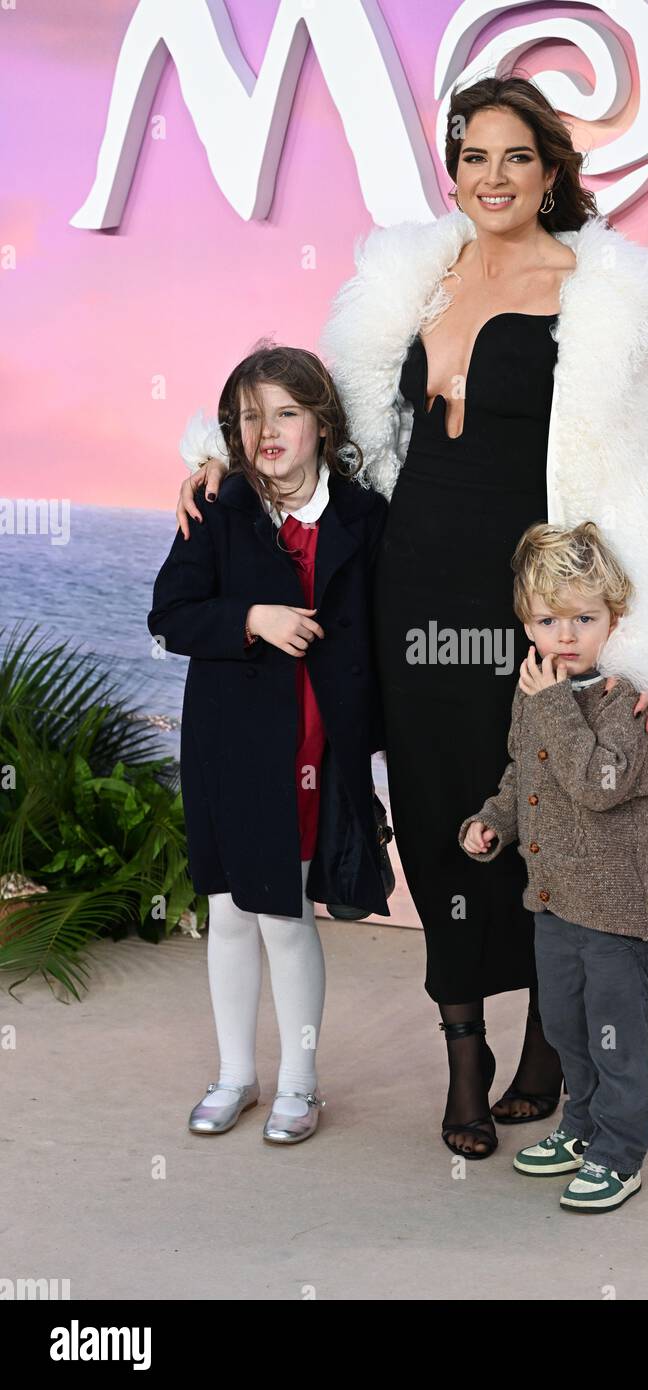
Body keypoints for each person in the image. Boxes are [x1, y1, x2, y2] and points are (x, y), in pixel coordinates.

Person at [175, 74, 648, 1160]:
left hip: (520, 600)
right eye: (473, 157)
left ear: (551, 168)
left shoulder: (602, 298)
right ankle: (463, 1052)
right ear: (453, 171)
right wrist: (213, 454)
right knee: (433, 817)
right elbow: (327, 408)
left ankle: (549, 1050)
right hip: (408, 594)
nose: (493, 177)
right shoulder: (414, 278)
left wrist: (647, 654)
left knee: (540, 818)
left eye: (516, 157)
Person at [148, 344, 388, 1145]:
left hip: (315, 745)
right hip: (229, 739)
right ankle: (234, 1076)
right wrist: (253, 618)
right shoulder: (218, 508)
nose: (268, 430)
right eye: (252, 416)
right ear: (232, 429)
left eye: (286, 412)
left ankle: (299, 1085)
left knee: (283, 912)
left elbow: (386, 636)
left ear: (323, 421)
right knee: (228, 909)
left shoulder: (365, 515)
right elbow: (172, 617)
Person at [460, 522, 648, 1206]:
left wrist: (550, 703)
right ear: (527, 622)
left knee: (618, 1039)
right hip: (554, 901)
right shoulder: (540, 696)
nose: (566, 634)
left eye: (584, 618)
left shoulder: (627, 703)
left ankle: (620, 1152)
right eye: (549, 620)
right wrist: (493, 822)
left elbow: (597, 785)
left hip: (615, 911)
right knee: (566, 1029)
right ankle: (581, 1127)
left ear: (613, 617)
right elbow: (524, 773)